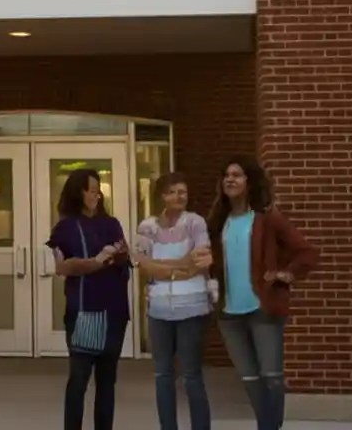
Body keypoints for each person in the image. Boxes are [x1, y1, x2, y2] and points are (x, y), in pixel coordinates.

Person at [208, 156, 318, 430]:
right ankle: (267, 425)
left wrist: (285, 274)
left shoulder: (267, 219)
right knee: (249, 378)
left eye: (237, 175)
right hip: (229, 312)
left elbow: (306, 252)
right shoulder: (218, 221)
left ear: (250, 182)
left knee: (271, 377)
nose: (230, 180)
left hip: (263, 308)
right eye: (227, 175)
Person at [47, 168, 131, 430]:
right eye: (90, 189)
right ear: (77, 192)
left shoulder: (111, 223)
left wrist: (120, 254)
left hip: (114, 311)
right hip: (83, 311)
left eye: (98, 189)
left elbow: (124, 255)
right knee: (79, 379)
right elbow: (63, 267)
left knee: (108, 381)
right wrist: (95, 262)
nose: (96, 194)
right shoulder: (66, 227)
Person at [133, 172, 216, 430]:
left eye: (182, 191)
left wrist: (163, 266)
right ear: (162, 196)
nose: (178, 197)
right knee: (162, 375)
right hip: (158, 310)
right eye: (172, 192)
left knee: (191, 375)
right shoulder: (147, 227)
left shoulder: (195, 222)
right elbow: (143, 265)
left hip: (192, 307)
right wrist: (179, 266)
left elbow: (200, 259)